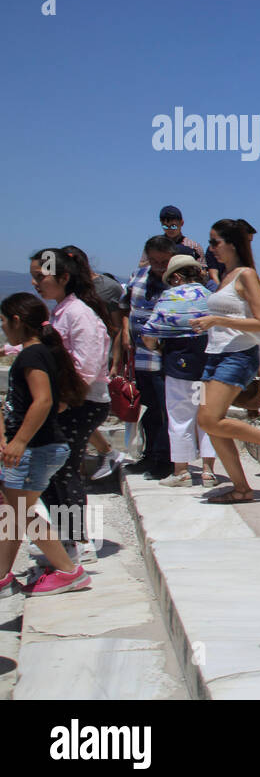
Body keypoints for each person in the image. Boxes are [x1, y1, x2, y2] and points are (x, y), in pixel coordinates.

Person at [0, 293, 92, 595]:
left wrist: (19, 441)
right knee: (15, 513)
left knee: (20, 514)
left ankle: (69, 571)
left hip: (35, 448)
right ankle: (2, 577)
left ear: (16, 321)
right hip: (37, 447)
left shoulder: (32, 355)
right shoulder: (40, 353)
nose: (2, 328)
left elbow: (44, 400)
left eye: (3, 322)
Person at [192, 219, 260, 501]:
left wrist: (216, 319)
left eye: (214, 242)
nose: (210, 249)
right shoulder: (226, 275)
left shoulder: (245, 275)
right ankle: (242, 489)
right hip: (214, 355)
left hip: (237, 355)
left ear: (231, 243)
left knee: (209, 419)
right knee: (210, 422)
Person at [30, 249, 111, 563]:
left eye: (41, 276)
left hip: (80, 402)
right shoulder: (63, 311)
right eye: (33, 277)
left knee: (64, 470)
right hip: (73, 402)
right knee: (56, 470)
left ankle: (77, 540)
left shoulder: (77, 313)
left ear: (63, 277)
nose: (36, 283)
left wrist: (62, 401)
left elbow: (87, 367)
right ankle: (67, 538)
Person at [140, 256, 218, 488]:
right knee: (206, 417)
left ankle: (182, 472)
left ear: (176, 277)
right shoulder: (211, 298)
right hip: (208, 366)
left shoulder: (169, 297)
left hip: (178, 365)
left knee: (180, 417)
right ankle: (208, 472)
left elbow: (149, 335)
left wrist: (156, 347)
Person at [62, 246, 127, 480]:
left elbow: (116, 327)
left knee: (78, 416)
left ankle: (77, 475)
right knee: (77, 419)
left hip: (96, 360)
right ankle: (103, 454)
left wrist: (116, 360)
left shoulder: (108, 288)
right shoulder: (69, 291)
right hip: (76, 361)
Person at [120, 236, 176, 477]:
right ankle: (149, 453)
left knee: (164, 411)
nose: (159, 266)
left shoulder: (176, 282)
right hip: (139, 356)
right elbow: (125, 307)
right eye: (154, 261)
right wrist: (124, 333)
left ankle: (165, 460)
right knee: (147, 409)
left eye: (164, 261)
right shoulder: (138, 276)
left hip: (162, 359)